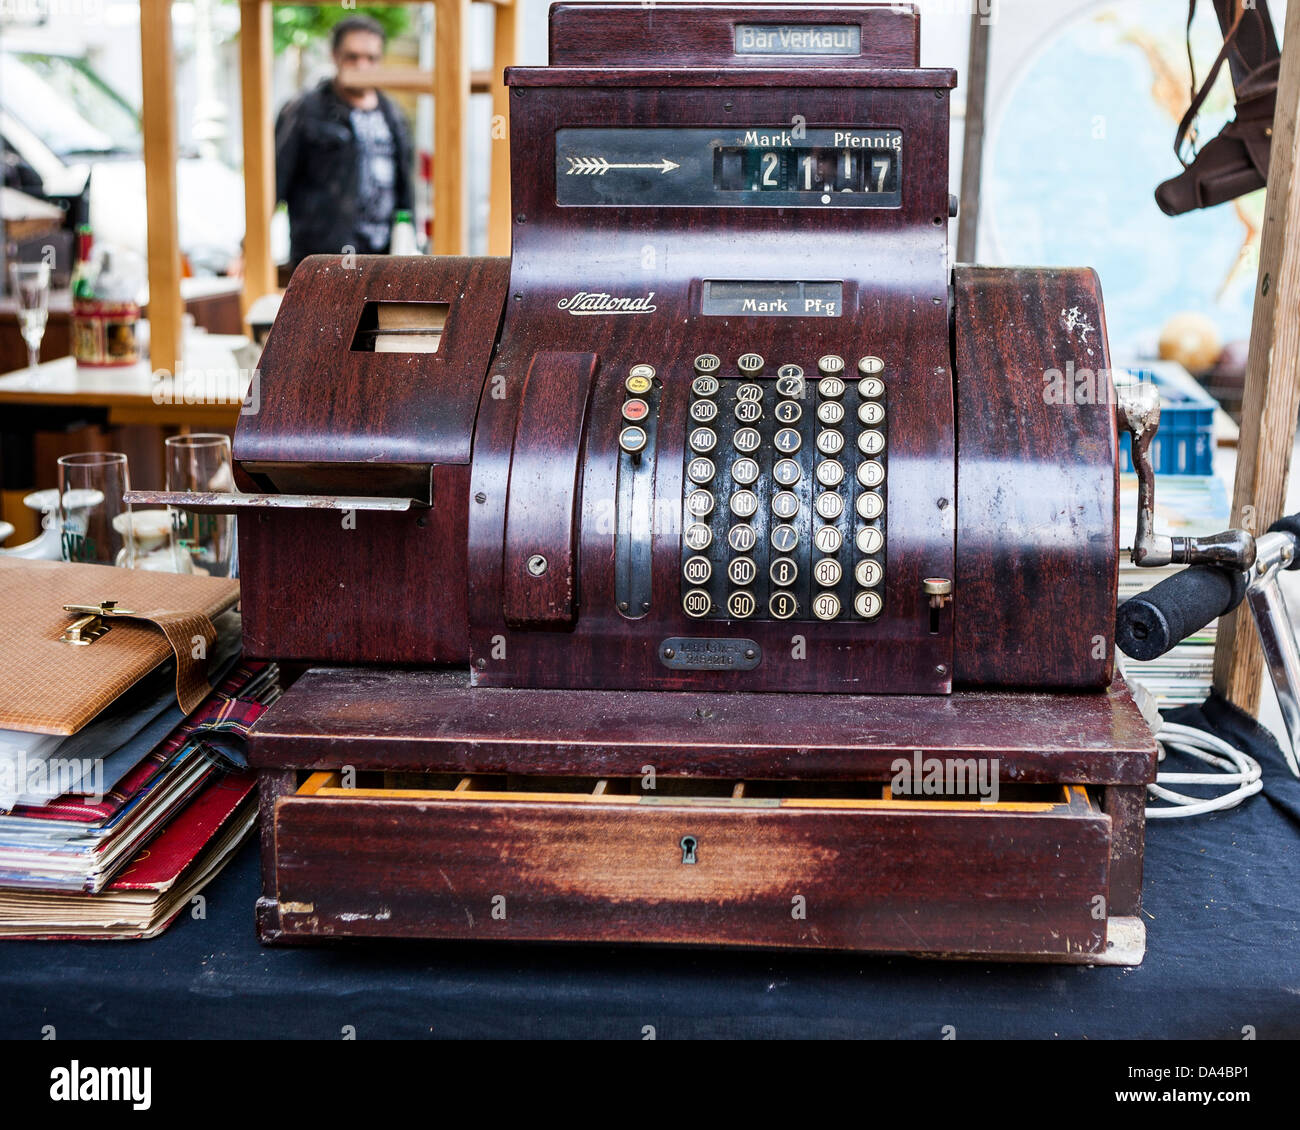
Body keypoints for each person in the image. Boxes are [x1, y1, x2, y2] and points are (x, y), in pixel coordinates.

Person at [274, 15, 414, 267]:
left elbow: (405, 191)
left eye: (370, 58)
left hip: (383, 259)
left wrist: (409, 238)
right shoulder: (305, 110)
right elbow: (274, 180)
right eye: (352, 57)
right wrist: (248, 247)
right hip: (322, 260)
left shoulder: (393, 116)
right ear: (335, 56)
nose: (362, 65)